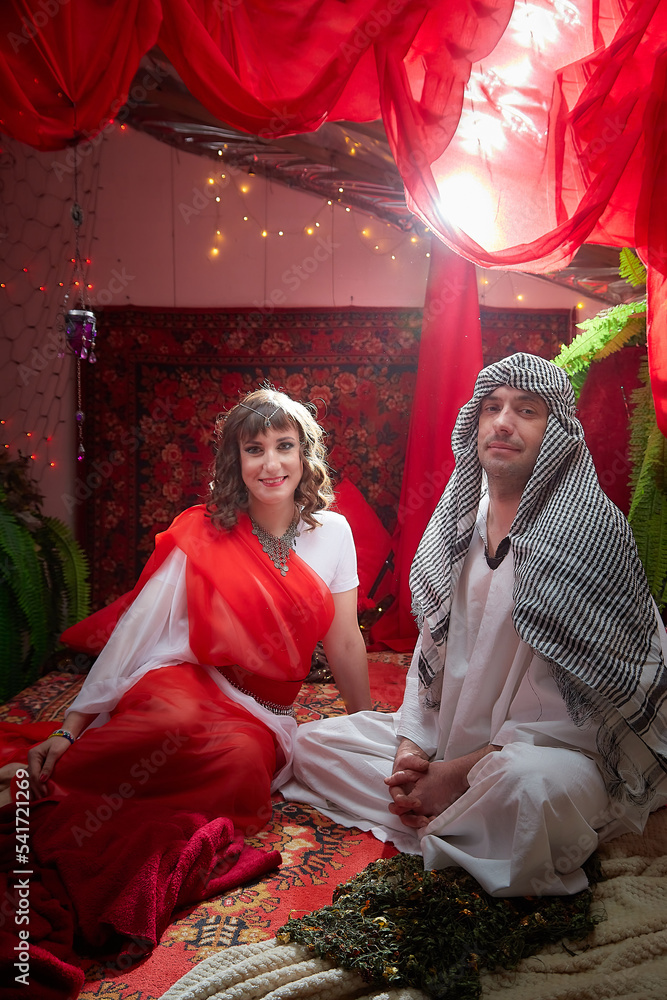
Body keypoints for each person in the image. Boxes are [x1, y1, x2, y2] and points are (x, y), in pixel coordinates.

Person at [0, 387, 370, 979]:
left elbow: (345, 640)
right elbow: (136, 633)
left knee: (240, 766)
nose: (271, 464)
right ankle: (56, 786)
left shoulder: (334, 533)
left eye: (285, 447)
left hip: (260, 711)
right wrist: (70, 729)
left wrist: (365, 721)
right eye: (255, 450)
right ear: (236, 462)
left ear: (305, 456)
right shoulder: (204, 532)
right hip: (189, 681)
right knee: (165, 724)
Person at [283, 353, 667, 898]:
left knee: (526, 792)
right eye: (492, 408)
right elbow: (429, 653)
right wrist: (412, 750)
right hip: (452, 741)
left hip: (556, 755)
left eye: (526, 411)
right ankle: (447, 817)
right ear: (476, 424)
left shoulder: (590, 533)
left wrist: (455, 775)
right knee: (311, 744)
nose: (503, 422)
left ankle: (444, 808)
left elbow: (581, 714)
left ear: (556, 432)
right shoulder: (460, 518)